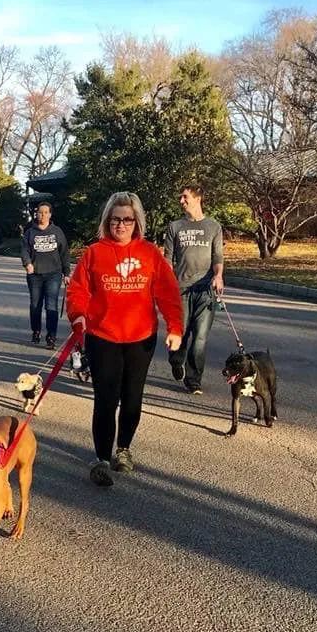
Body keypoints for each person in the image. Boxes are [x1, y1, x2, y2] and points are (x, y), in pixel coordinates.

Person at [66, 192, 183, 487]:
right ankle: (102, 458)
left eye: (127, 219)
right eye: (115, 219)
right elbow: (78, 290)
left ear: (136, 222)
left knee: (132, 399)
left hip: (140, 337)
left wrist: (175, 328)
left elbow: (168, 294)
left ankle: (124, 449)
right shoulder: (94, 253)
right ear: (108, 221)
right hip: (102, 336)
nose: (121, 225)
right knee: (106, 399)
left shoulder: (150, 254)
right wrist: (78, 315)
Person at [164, 185, 225, 395]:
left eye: (185, 197)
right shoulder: (175, 227)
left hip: (205, 291)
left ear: (198, 198)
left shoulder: (214, 227)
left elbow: (218, 258)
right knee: (180, 333)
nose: (181, 201)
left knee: (200, 337)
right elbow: (167, 259)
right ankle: (176, 360)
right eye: (180, 197)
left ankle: (194, 380)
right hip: (181, 290)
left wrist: (218, 276)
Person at [20, 201, 71, 349]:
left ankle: (51, 336)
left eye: (45, 212)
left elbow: (64, 253)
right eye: (40, 212)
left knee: (51, 306)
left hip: (53, 274)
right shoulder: (30, 232)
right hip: (35, 274)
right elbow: (24, 250)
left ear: (50, 214)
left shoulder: (57, 232)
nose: (42, 215)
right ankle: (36, 331)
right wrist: (27, 263)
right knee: (35, 305)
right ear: (36, 214)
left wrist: (66, 272)